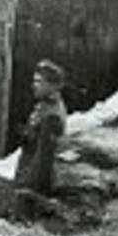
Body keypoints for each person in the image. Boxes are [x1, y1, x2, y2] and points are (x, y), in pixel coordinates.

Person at [14, 59, 68, 219]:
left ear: (53, 86)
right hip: (27, 171)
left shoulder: (52, 116)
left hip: (31, 182)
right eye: (34, 81)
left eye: (39, 82)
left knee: (23, 221)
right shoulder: (44, 106)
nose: (34, 85)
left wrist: (28, 189)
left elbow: (44, 158)